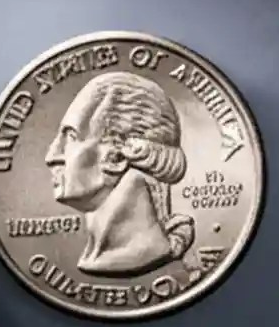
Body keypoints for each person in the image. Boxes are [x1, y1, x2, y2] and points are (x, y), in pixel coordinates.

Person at [44, 71, 195, 276]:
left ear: (117, 156)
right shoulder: (93, 258)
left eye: (71, 136)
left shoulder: (145, 252)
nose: (52, 156)